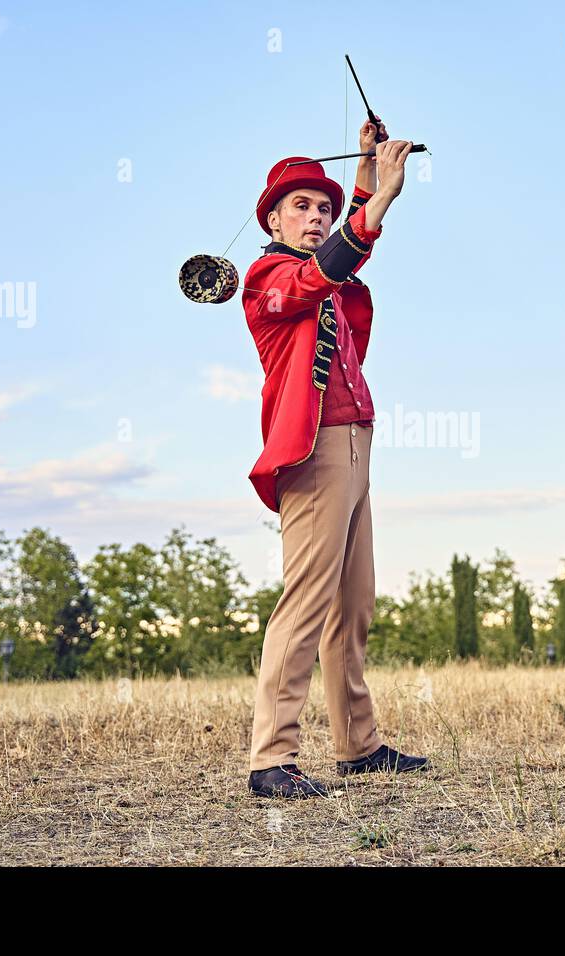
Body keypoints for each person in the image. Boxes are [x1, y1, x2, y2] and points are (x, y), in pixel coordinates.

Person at [241, 117, 429, 798]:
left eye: (325, 208)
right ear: (274, 219)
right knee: (308, 601)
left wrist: (365, 174)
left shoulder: (322, 264)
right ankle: (271, 758)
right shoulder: (266, 278)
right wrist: (380, 202)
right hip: (315, 451)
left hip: (356, 441)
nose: (317, 217)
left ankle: (357, 744)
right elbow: (324, 272)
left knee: (352, 604)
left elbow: (344, 258)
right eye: (302, 206)